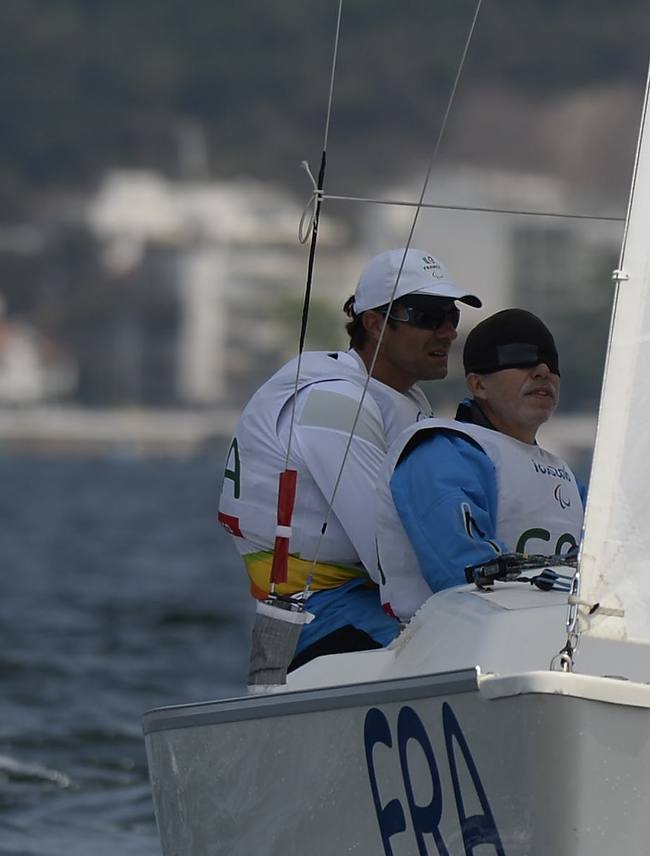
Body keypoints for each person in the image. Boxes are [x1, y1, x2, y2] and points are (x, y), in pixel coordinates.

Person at [217, 248, 479, 666]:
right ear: (374, 323)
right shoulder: (334, 403)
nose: (447, 332)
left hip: (359, 604)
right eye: (429, 317)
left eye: (452, 317)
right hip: (316, 617)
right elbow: (388, 553)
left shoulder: (397, 397)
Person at [390, 308, 584, 597]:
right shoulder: (443, 453)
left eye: (551, 364)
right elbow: (465, 575)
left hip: (551, 632)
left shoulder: (567, 476)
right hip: (438, 636)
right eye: (520, 359)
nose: (543, 371)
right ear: (478, 384)